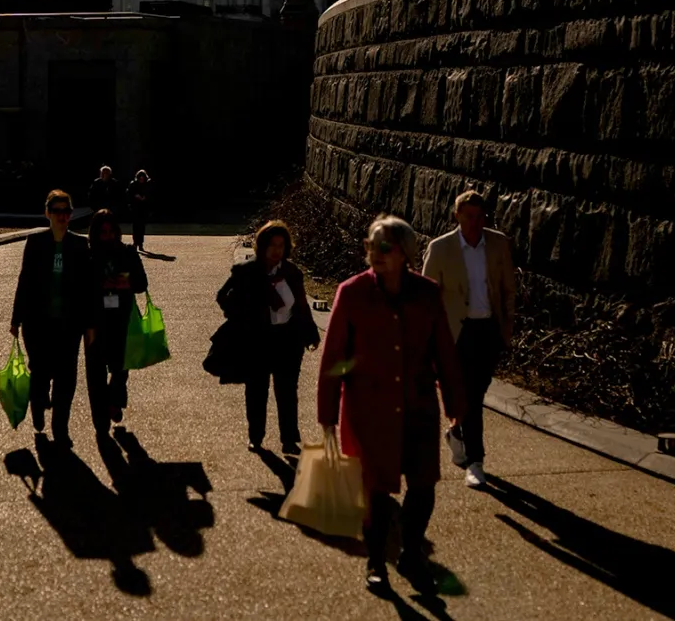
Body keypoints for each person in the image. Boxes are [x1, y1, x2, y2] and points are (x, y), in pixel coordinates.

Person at [318, 215, 463, 591]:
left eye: (384, 247)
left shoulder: (428, 294)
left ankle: (411, 553)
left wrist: (455, 406)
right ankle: (376, 561)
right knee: (377, 491)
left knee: (423, 486)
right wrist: (327, 416)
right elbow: (333, 357)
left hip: (418, 408)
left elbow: (444, 354)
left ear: (405, 253)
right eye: (371, 245)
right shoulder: (352, 293)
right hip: (368, 411)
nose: (375, 253)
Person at [421, 191, 519, 489]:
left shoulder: (498, 243)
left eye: (479, 217)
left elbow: (507, 289)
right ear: (457, 217)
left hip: (488, 330)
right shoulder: (441, 248)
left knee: (477, 390)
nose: (474, 223)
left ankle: (458, 434)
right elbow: (428, 297)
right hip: (456, 333)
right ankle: (476, 462)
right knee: (471, 397)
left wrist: (506, 329)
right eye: (468, 217)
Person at [216, 220, 319, 455]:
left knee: (287, 391)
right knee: (256, 390)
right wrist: (239, 316)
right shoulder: (247, 272)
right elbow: (223, 296)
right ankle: (256, 437)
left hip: (288, 341)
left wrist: (310, 332)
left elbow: (302, 306)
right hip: (257, 340)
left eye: (281, 246)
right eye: (272, 245)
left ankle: (289, 439)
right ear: (262, 246)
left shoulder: (292, 273)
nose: (276, 250)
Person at [10, 190, 99, 447]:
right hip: (38, 323)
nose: (62, 216)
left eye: (66, 212)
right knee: (39, 373)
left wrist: (91, 324)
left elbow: (88, 288)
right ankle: (37, 405)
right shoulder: (35, 243)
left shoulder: (80, 245)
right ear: (47, 213)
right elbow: (24, 281)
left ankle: (61, 426)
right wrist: (16, 319)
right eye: (57, 211)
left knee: (66, 377)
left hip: (69, 323)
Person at [85, 209, 147, 433]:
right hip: (96, 320)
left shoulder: (128, 253)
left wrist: (122, 282)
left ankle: (114, 401)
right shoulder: (88, 256)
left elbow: (141, 283)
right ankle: (101, 419)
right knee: (97, 374)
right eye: (103, 232)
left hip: (122, 319)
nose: (108, 236)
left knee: (121, 370)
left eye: (112, 231)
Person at [126, 169, 153, 251]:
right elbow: (129, 195)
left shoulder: (147, 185)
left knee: (141, 227)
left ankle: (140, 243)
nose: (141, 179)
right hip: (135, 208)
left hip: (143, 209)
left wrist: (145, 197)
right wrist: (136, 196)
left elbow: (150, 194)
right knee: (136, 226)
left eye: (143, 178)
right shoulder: (133, 184)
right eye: (140, 178)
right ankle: (135, 242)